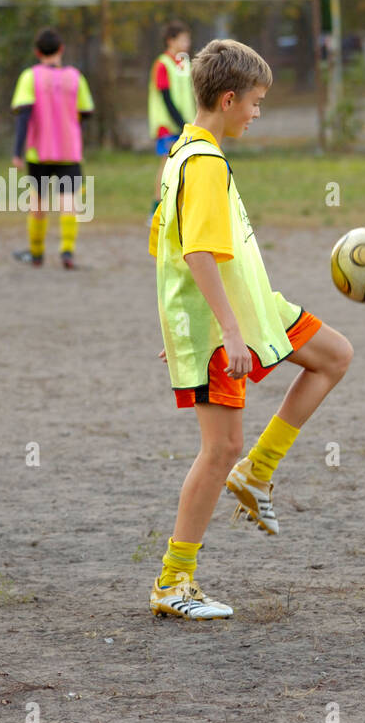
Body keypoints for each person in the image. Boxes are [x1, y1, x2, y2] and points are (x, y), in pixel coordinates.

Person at [148, 39, 353, 620]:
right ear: (230, 97)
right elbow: (196, 253)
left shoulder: (185, 149)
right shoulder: (205, 163)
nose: (258, 114)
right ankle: (174, 580)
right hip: (226, 323)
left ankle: (257, 473)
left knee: (333, 355)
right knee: (219, 449)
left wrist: (182, 321)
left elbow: (165, 244)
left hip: (255, 307)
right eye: (257, 103)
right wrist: (223, 331)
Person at [10, 28, 93, 269]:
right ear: (61, 49)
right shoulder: (75, 77)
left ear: (37, 52)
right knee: (68, 203)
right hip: (69, 151)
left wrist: (17, 151)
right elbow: (86, 113)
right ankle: (67, 252)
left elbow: (23, 116)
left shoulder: (30, 77)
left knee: (37, 204)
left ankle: (36, 254)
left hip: (39, 152)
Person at [148, 20, 195, 222]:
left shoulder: (184, 63)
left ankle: (179, 209)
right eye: (183, 39)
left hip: (186, 123)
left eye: (188, 39)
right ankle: (155, 211)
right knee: (166, 166)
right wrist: (179, 121)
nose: (187, 43)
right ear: (170, 40)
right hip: (167, 125)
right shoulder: (162, 64)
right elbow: (166, 97)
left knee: (185, 166)